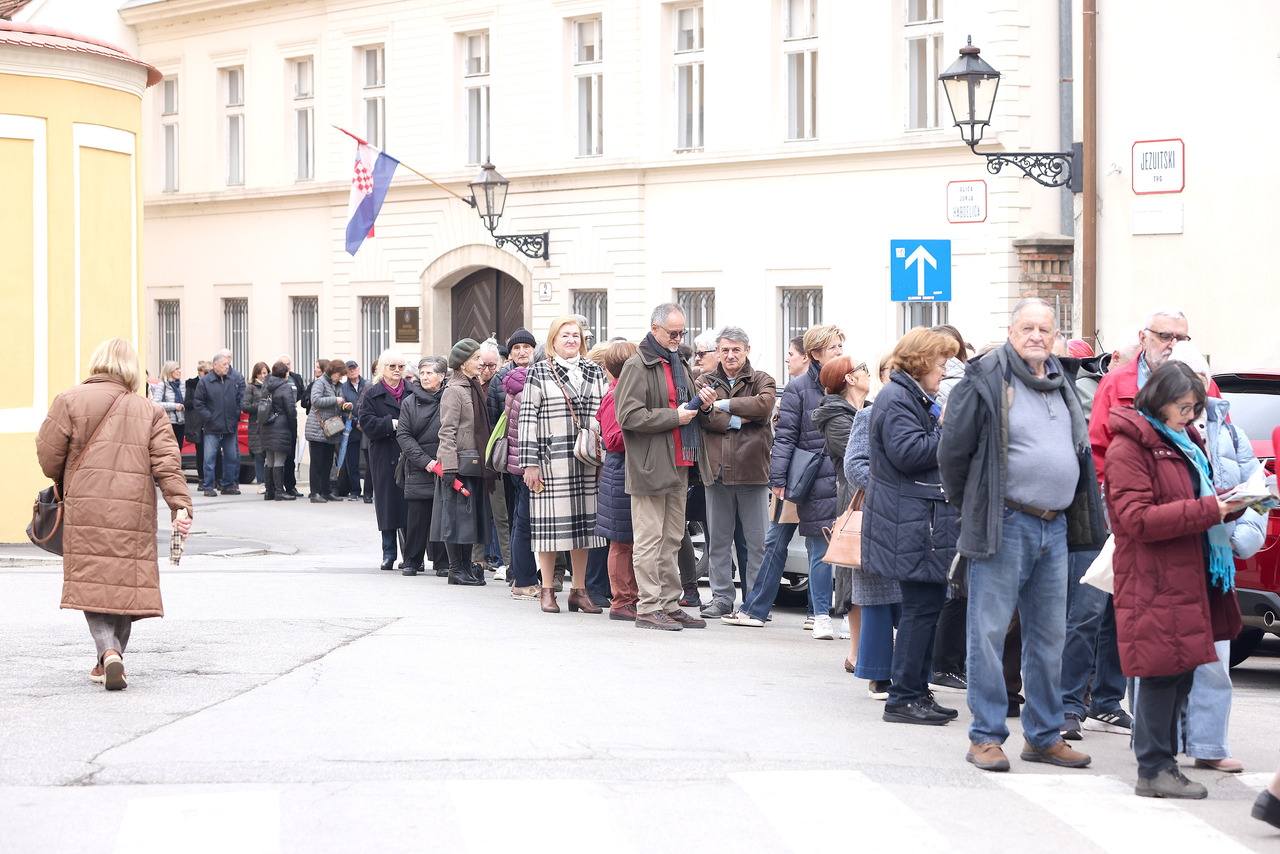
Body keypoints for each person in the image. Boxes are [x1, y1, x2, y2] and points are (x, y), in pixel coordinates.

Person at [938, 298, 1106, 771]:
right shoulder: (986, 378)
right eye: (1027, 327)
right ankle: (985, 737)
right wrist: (975, 507)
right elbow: (952, 454)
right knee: (989, 633)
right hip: (1005, 522)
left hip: (1056, 526)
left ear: (1055, 336)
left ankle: (1044, 736)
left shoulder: (1061, 378)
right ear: (1011, 332)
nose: (1036, 336)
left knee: (1049, 637)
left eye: (1044, 329)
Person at [1105, 361, 1249, 798]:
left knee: (1182, 669)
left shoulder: (1182, 441)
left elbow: (1192, 499)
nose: (1189, 416)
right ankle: (1153, 769)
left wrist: (1235, 503)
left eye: (1194, 409)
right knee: (1160, 671)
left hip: (1187, 571)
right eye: (1183, 407)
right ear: (1159, 399)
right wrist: (1211, 510)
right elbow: (1137, 518)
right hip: (1153, 575)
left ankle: (1165, 765)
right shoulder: (1131, 446)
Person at [35, 338, 193, 690]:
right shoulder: (150, 410)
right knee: (123, 583)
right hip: (133, 512)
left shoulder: (68, 400)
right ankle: (111, 655)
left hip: (85, 507)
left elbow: (47, 458)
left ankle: (107, 653)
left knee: (93, 581)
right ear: (132, 369)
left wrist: (70, 475)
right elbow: (168, 466)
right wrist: (180, 506)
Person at [1166, 344, 1265, 773]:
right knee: (1164, 657)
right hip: (1170, 557)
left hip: (1217, 561)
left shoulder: (1232, 433)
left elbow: (1257, 490)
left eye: (1199, 379)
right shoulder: (1154, 430)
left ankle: (1208, 744)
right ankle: (1160, 743)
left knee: (1214, 658)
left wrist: (1240, 538)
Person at [860, 329, 960, 725]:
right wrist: (947, 429)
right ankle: (903, 697)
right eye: (940, 364)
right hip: (910, 522)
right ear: (920, 362)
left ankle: (917, 691)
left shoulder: (909, 396)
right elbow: (909, 453)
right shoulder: (897, 397)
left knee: (927, 608)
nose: (943, 371)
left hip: (918, 520)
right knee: (919, 611)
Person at [614, 303, 717, 630]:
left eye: (681, 333)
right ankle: (648, 607)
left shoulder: (678, 361)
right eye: (673, 333)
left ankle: (670, 605)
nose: (678, 338)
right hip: (650, 464)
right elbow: (627, 416)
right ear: (655, 329)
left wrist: (703, 406)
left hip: (680, 461)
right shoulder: (637, 364)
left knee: (672, 538)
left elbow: (688, 410)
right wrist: (675, 416)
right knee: (649, 540)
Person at [519, 316, 609, 613]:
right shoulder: (539, 371)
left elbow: (604, 414)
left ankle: (579, 591)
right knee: (549, 530)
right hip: (550, 462)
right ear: (553, 340)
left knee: (584, 529)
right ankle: (547, 590)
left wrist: (604, 457)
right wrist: (530, 463)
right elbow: (527, 419)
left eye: (575, 335)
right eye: (565, 335)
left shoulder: (594, 370)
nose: (571, 340)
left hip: (587, 460)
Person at [692, 326, 777, 619]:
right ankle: (721, 599)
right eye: (725, 350)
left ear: (747, 351)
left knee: (757, 543)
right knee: (718, 541)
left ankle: (755, 603)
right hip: (716, 472)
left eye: (736, 350)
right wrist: (741, 419)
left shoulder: (762, 379)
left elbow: (764, 407)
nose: (730, 355)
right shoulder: (704, 380)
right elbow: (703, 417)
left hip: (752, 471)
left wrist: (721, 404)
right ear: (717, 352)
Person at [765, 323, 844, 639]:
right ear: (816, 353)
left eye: (840, 346)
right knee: (820, 546)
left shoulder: (848, 380)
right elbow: (785, 436)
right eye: (833, 347)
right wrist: (778, 478)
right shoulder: (798, 388)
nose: (839, 351)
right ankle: (820, 614)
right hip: (814, 478)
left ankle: (846, 615)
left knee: (847, 548)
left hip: (844, 476)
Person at [842, 354, 902, 698]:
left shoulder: (931, 414)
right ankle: (878, 675)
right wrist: (894, 492)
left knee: (915, 602)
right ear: (883, 376)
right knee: (879, 597)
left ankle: (914, 675)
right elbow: (854, 466)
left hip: (919, 522)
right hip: (879, 519)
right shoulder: (867, 415)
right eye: (895, 371)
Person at [811, 356, 871, 658]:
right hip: (854, 499)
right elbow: (857, 458)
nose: (869, 374)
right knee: (855, 572)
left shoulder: (866, 410)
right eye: (864, 370)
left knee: (871, 574)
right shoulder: (836, 417)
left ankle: (866, 649)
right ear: (850, 378)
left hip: (873, 495)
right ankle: (855, 653)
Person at [432, 338, 494, 586]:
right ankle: (455, 570)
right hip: (457, 466)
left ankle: (466, 566)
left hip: (474, 466)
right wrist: (449, 467)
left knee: (469, 520)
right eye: (476, 358)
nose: (481, 362)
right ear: (462, 363)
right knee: (454, 519)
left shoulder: (473, 387)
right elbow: (446, 431)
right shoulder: (454, 391)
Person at [595, 340, 641, 620]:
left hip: (625, 470)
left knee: (631, 540)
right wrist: (644, 427)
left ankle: (629, 598)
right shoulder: (615, 395)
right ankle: (622, 600)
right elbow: (612, 440)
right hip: (619, 471)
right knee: (622, 541)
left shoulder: (624, 392)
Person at [489, 328, 536, 583]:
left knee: (524, 515)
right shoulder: (500, 378)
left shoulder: (541, 373)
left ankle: (531, 571)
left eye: (526, 347)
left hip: (527, 456)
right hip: (511, 455)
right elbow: (493, 417)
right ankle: (515, 569)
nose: (521, 352)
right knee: (515, 513)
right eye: (516, 348)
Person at [358, 350, 410, 572]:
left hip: (408, 454)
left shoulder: (412, 390)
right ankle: (388, 553)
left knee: (409, 506)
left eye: (400, 366)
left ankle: (411, 555)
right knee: (387, 506)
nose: (397, 370)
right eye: (392, 366)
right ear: (382, 369)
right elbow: (367, 423)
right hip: (383, 454)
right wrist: (392, 424)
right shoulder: (372, 393)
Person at [397, 356, 449, 576]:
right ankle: (412, 561)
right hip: (419, 466)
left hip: (446, 465)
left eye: (430, 373)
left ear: (442, 376)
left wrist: (445, 459)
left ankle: (443, 563)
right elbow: (404, 435)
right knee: (417, 518)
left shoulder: (450, 397)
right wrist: (425, 461)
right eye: (423, 373)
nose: (425, 377)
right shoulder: (409, 402)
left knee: (442, 516)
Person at [503, 343, 541, 599]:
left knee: (520, 521)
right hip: (526, 464)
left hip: (515, 462)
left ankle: (521, 577)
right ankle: (524, 581)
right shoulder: (527, 389)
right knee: (524, 524)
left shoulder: (514, 384)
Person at [474, 339, 510, 574]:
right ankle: (477, 560)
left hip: (495, 456)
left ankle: (506, 561)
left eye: (491, 366)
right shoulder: (469, 386)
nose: (486, 370)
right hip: (474, 455)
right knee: (477, 510)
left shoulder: (500, 385)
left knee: (500, 513)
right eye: (482, 365)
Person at [193, 352, 245, 497]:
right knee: (209, 457)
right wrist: (209, 417)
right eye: (224, 364)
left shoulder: (231, 381)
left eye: (228, 364)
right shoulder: (205, 382)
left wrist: (236, 414)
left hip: (229, 425)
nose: (227, 367)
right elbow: (198, 403)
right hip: (212, 426)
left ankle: (228, 485)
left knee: (231, 456)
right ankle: (209, 486)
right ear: (215, 365)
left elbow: (239, 399)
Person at [304, 359, 350, 503]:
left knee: (327, 463)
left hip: (332, 429)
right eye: (339, 375)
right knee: (317, 463)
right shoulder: (320, 382)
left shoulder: (337, 385)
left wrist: (344, 406)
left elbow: (338, 404)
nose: (340, 378)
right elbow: (315, 400)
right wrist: (335, 400)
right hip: (318, 428)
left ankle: (325, 491)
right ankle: (314, 492)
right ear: (333, 371)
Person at [259, 361, 298, 502]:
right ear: (285, 374)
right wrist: (293, 427)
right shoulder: (285, 387)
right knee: (279, 460)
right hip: (281, 426)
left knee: (269, 459)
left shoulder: (266, 386)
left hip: (266, 425)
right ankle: (279, 492)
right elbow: (290, 410)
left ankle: (269, 492)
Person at [338, 360, 368, 500]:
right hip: (352, 428)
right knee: (353, 461)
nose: (352, 371)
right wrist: (356, 422)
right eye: (349, 369)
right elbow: (342, 409)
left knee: (369, 461)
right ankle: (355, 490)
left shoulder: (367, 384)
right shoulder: (343, 388)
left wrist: (365, 421)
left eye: (354, 368)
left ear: (359, 369)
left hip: (367, 427)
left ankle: (369, 491)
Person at [241, 361, 270, 492]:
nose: (263, 376)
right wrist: (261, 405)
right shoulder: (251, 387)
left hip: (269, 424)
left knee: (270, 454)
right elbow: (245, 406)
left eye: (265, 373)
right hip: (256, 425)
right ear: (256, 374)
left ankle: (270, 483)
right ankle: (261, 482)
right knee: (259, 455)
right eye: (261, 373)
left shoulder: (271, 386)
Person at [151, 360, 185, 448]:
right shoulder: (163, 385)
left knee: (179, 448)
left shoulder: (183, 384)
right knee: (170, 449)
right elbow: (155, 403)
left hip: (181, 422)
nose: (179, 371)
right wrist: (174, 406)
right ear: (169, 371)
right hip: (168, 423)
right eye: (176, 369)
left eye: (179, 368)